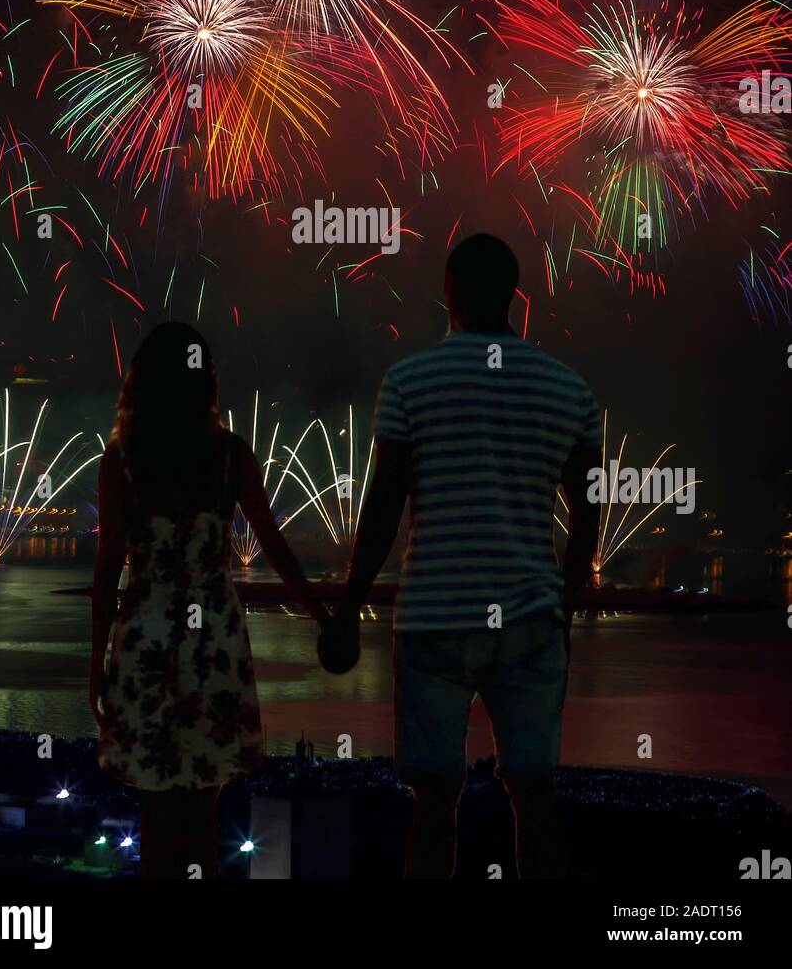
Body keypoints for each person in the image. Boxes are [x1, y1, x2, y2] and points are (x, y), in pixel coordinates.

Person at [320, 233, 601, 879]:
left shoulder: (408, 382)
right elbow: (588, 510)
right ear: (513, 293)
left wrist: (346, 610)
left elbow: (383, 508)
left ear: (447, 288)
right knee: (534, 801)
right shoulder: (568, 390)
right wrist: (563, 604)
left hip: (432, 618)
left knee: (431, 805)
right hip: (530, 617)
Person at [90, 322, 328, 879]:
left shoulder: (121, 463)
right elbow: (275, 546)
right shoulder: (229, 457)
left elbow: (107, 576)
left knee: (156, 806)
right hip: (212, 645)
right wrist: (322, 616)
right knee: (203, 805)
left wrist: (94, 666)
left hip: (144, 641)